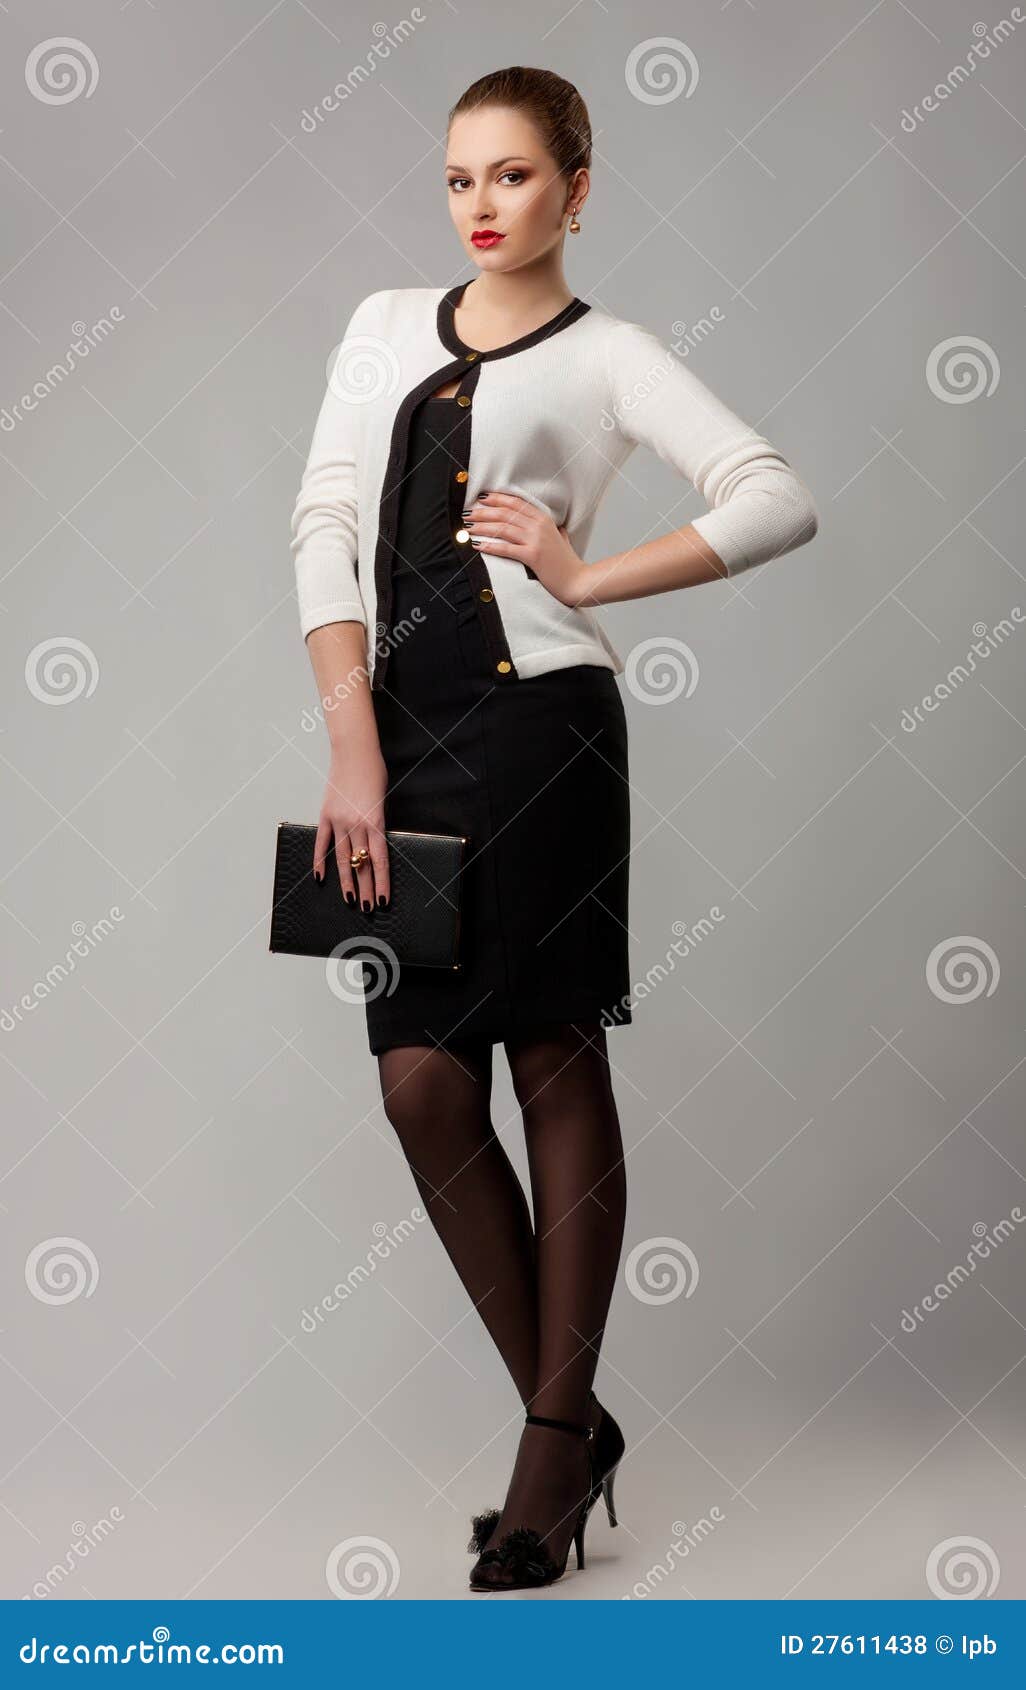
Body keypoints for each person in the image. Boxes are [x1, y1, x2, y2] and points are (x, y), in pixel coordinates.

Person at [289, 65, 818, 1591]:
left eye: (512, 177)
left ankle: (541, 1464)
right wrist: (351, 748)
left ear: (575, 191)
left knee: (550, 1055)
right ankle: (573, 1422)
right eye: (459, 178)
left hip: (546, 733)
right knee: (416, 1086)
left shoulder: (611, 356)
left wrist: (592, 577)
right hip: (400, 736)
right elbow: (322, 524)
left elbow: (771, 495)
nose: (479, 206)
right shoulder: (385, 326)